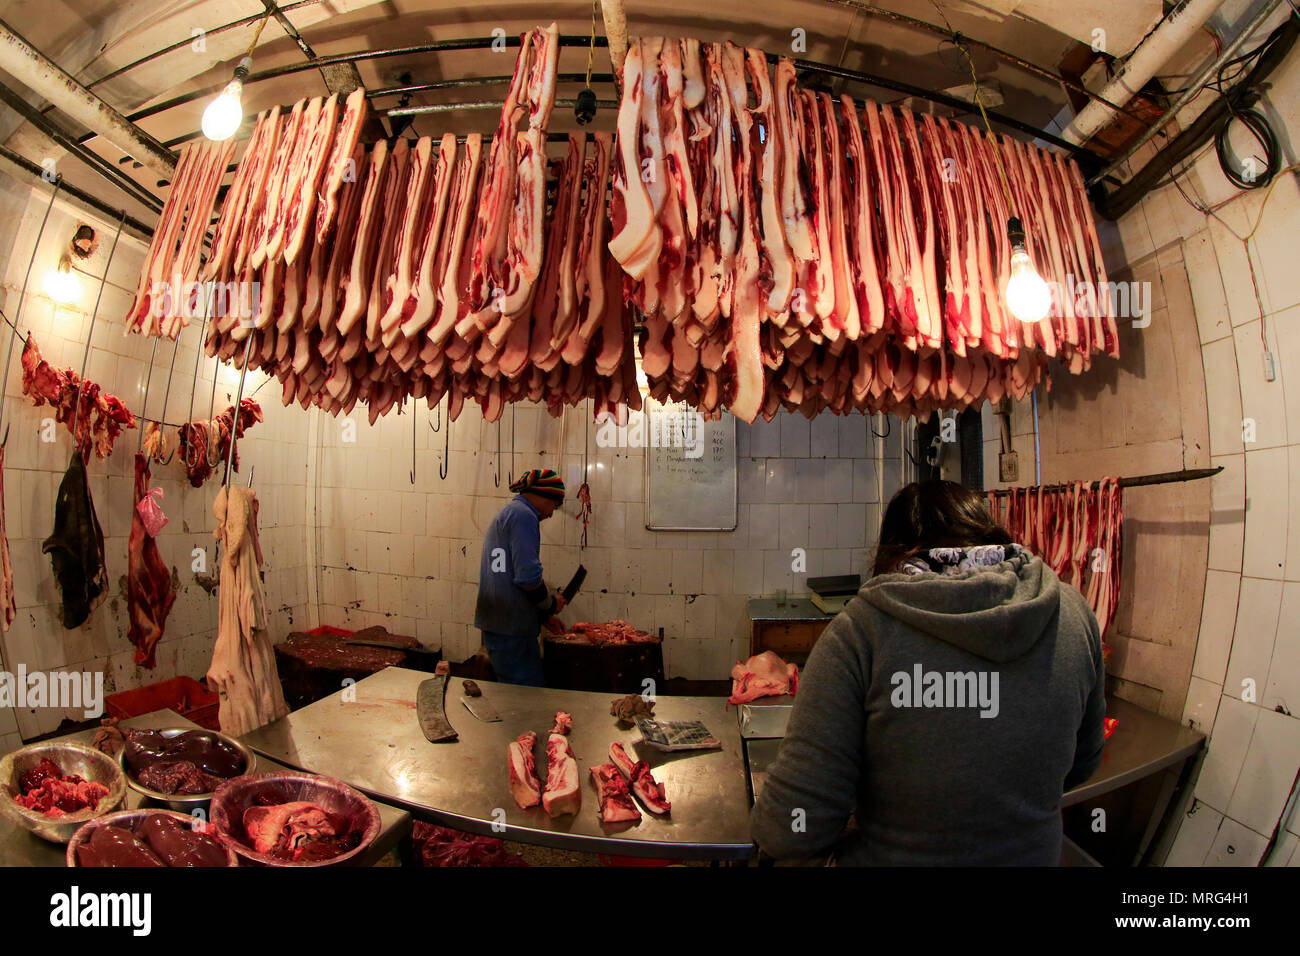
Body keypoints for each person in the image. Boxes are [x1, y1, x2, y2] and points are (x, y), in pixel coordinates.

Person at [751, 480, 1106, 865]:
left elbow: (791, 829)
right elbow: (1082, 762)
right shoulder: (1072, 612)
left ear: (892, 549)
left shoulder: (863, 629)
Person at [474, 468, 569, 687]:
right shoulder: (523, 515)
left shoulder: (511, 513)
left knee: (516, 694)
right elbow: (528, 577)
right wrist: (550, 603)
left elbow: (509, 575)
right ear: (543, 495)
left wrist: (543, 617)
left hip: (504, 624)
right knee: (525, 698)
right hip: (510, 628)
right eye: (554, 506)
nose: (551, 513)